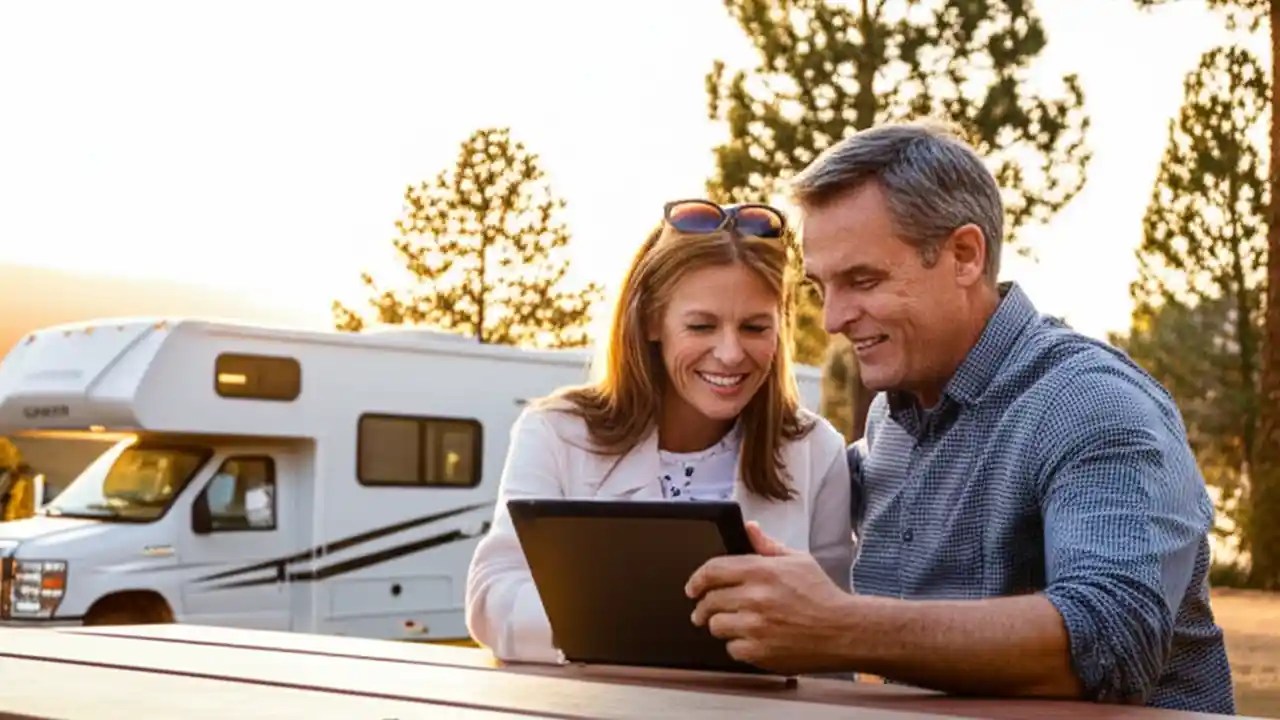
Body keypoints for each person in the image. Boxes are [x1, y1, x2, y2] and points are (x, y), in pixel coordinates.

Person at [684, 121, 1235, 713]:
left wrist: (838, 625)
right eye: (822, 288)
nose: (833, 320)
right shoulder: (891, 423)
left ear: (965, 256)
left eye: (863, 280)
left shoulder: (1090, 404)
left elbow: (1111, 639)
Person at [465, 199, 853, 664]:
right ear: (651, 321)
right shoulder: (556, 432)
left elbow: (834, 637)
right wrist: (647, 619)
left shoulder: (815, 450)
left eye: (754, 327)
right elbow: (493, 598)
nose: (730, 353)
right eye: (701, 326)